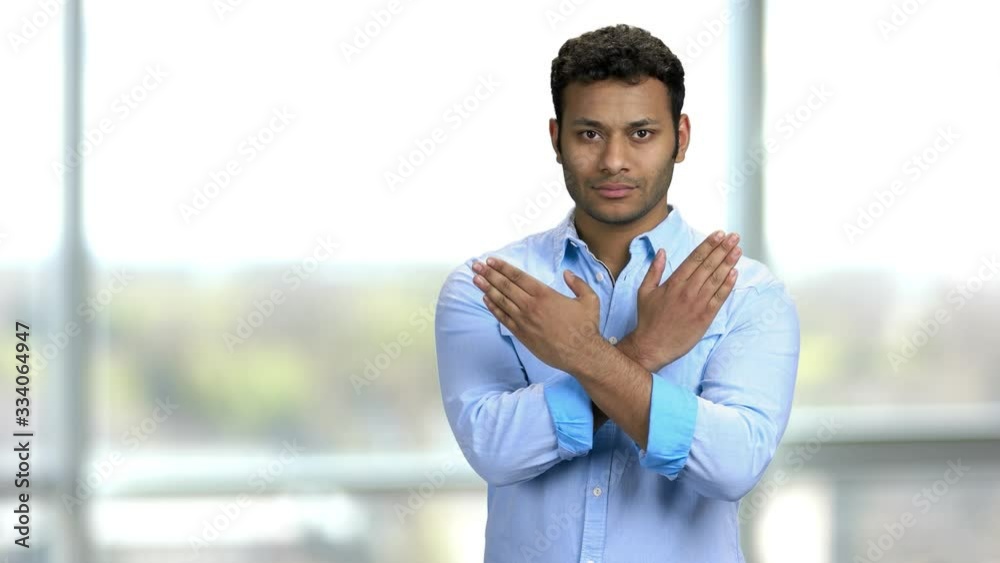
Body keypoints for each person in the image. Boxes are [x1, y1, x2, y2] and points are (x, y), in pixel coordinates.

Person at [434, 23, 800, 562]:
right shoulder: (491, 286)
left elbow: (731, 466)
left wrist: (582, 354)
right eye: (589, 134)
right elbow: (496, 449)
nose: (613, 161)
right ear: (556, 138)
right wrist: (646, 350)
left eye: (641, 133)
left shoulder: (745, 292)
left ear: (682, 137)